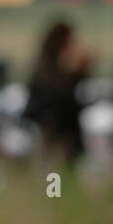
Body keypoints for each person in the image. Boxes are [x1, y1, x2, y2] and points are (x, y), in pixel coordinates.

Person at [24, 20, 92, 163]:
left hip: (57, 128)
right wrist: (79, 72)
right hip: (54, 129)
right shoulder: (49, 69)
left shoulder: (47, 65)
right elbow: (59, 96)